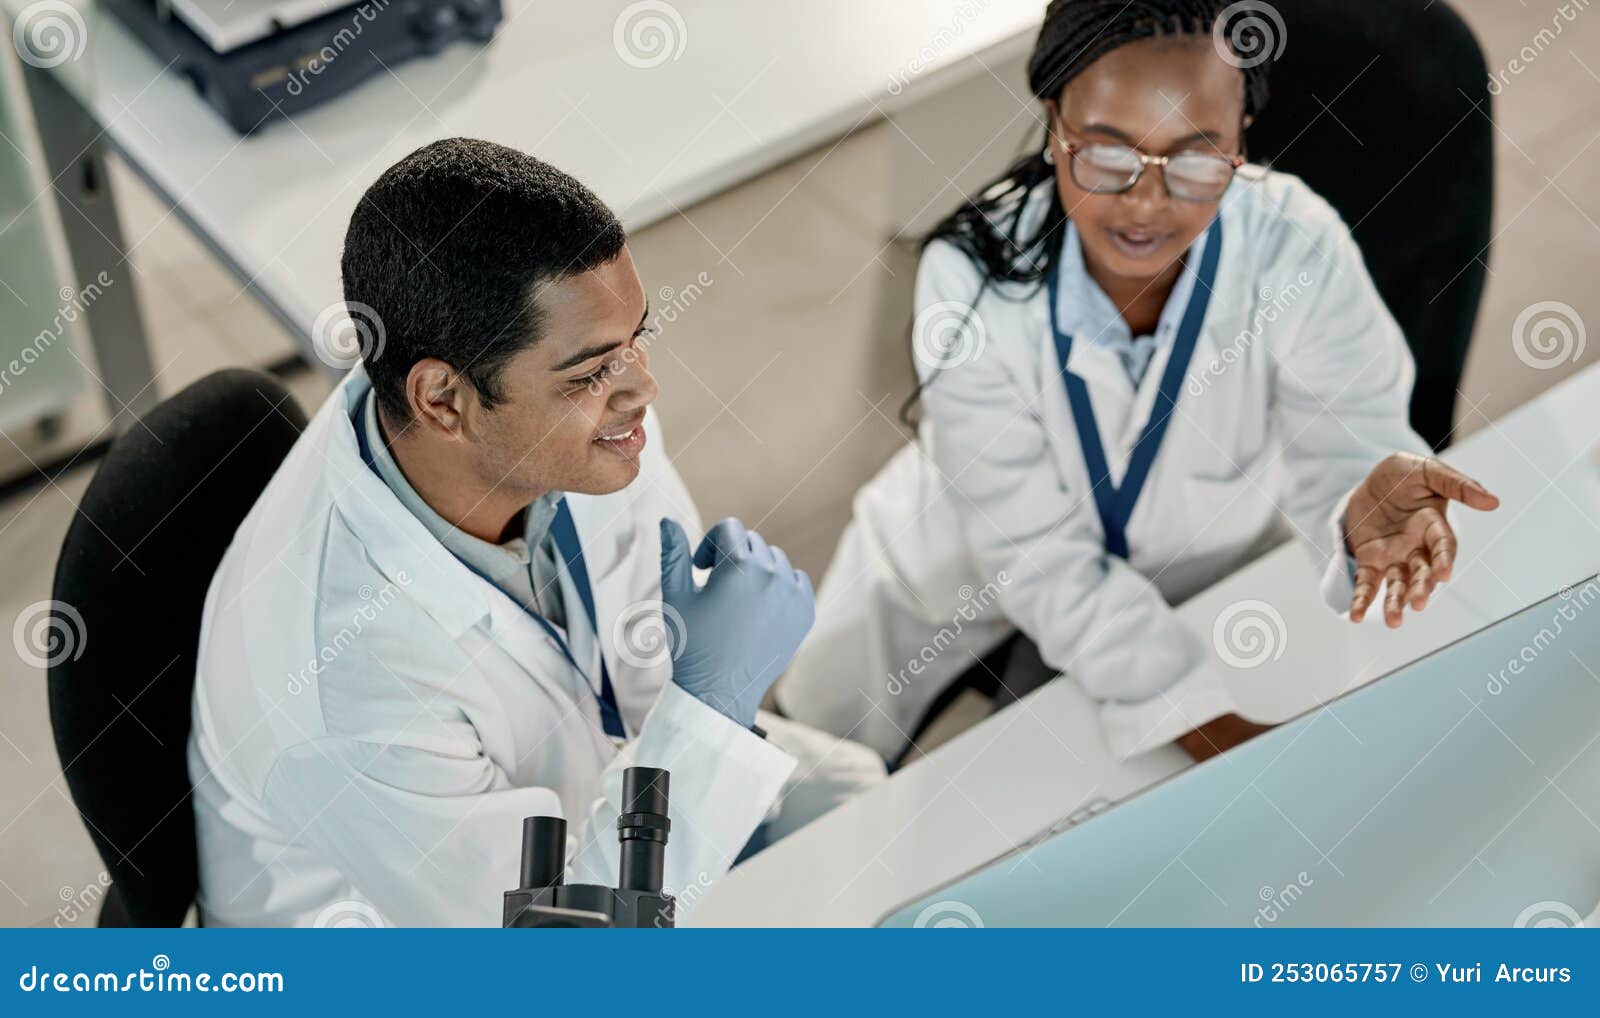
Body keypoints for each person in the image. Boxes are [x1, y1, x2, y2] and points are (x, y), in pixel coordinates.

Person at [777, 0, 1499, 766]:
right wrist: (1207, 725)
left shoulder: (1296, 244)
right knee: (810, 783)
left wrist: (1360, 498)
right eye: (1107, 154)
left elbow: (1346, 428)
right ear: (1054, 124)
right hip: (967, 559)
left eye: (1195, 156)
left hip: (1203, 564)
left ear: (1241, 141)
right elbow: (1038, 557)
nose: (1147, 203)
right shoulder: (971, 281)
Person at [186, 139, 884, 927]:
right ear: (443, 400)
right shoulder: (345, 681)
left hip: (588, 800)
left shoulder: (540, 417)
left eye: (635, 342)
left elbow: (638, 679)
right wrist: (713, 707)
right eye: (591, 373)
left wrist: (700, 699)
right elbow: (554, 955)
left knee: (854, 799)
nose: (643, 389)